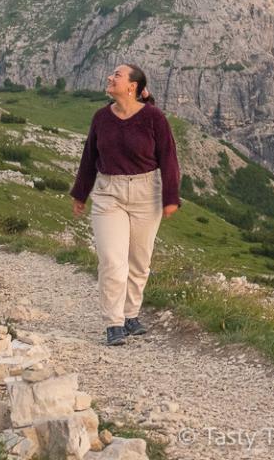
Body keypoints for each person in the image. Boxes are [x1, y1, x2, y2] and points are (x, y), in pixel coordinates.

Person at [70, 62, 182, 346]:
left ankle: (131, 314)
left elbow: (168, 158)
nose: (110, 77)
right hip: (109, 193)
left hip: (147, 193)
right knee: (112, 260)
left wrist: (171, 198)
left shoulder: (154, 117)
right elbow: (89, 157)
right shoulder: (101, 118)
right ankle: (114, 323)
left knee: (139, 261)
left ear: (132, 86)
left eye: (116, 75)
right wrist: (80, 193)